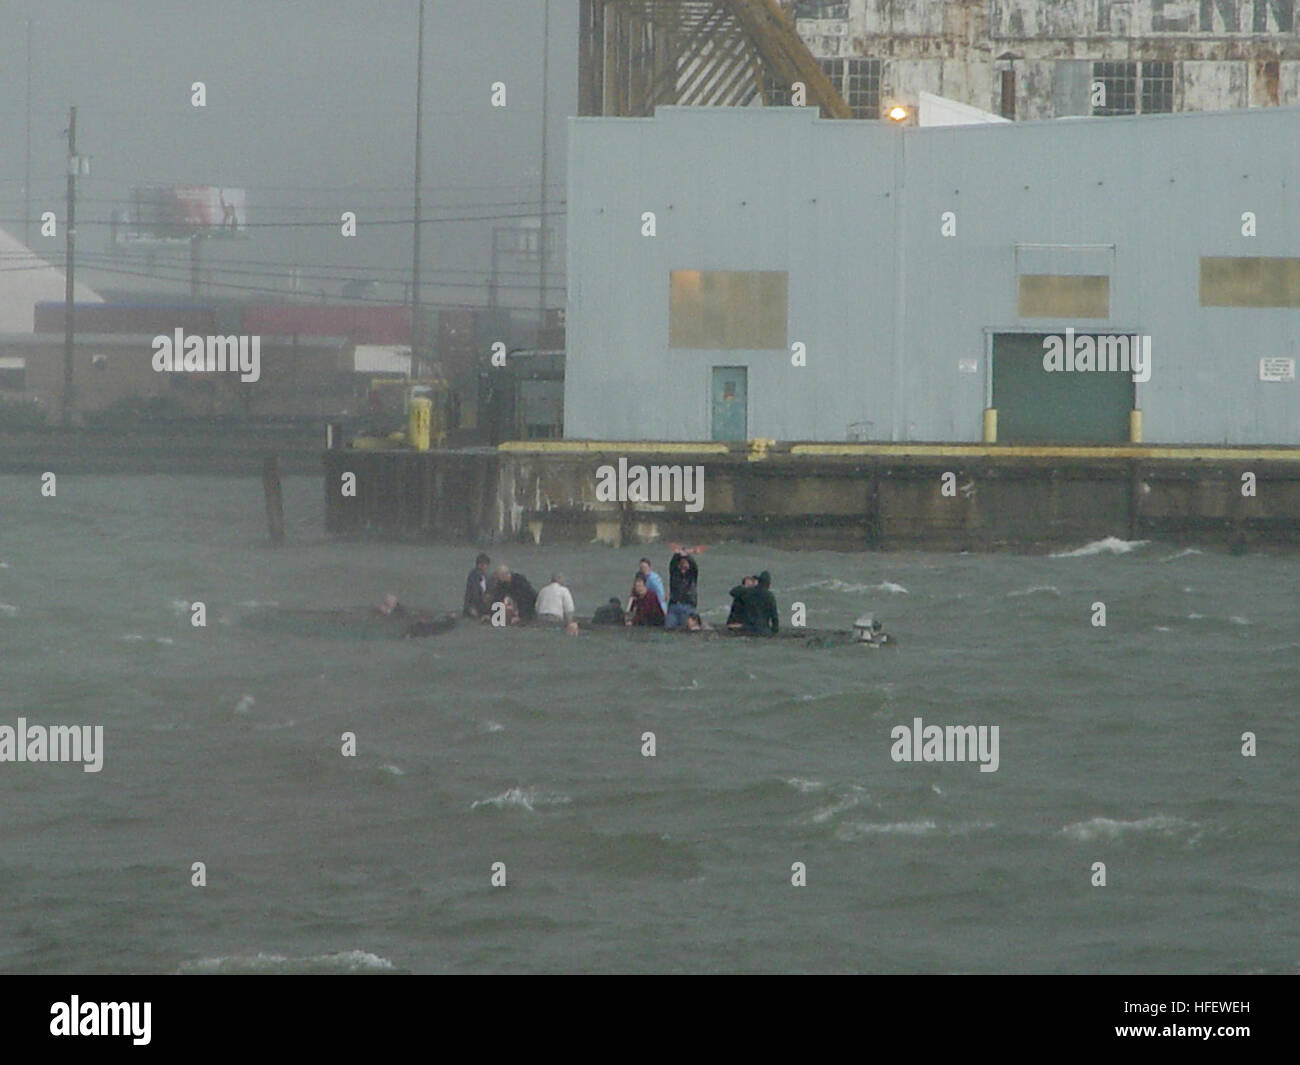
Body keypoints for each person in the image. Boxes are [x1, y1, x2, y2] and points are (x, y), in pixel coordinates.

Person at [729, 570, 779, 635]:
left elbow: (733, 592)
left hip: (747, 629)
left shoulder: (748, 592)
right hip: (763, 630)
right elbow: (774, 616)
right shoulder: (770, 596)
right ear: (768, 583)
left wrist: (745, 586)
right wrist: (774, 631)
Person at [664, 547, 700, 630]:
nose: (684, 565)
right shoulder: (674, 574)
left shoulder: (692, 576)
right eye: (682, 563)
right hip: (674, 606)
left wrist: (687, 555)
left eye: (685, 563)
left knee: (685, 630)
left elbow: (694, 566)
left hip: (688, 606)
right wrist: (678, 554)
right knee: (668, 628)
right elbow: (672, 564)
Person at [463, 553, 491, 618]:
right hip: (475, 606)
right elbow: (473, 592)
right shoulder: (474, 575)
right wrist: (471, 607)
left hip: (481, 603)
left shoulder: (484, 575)